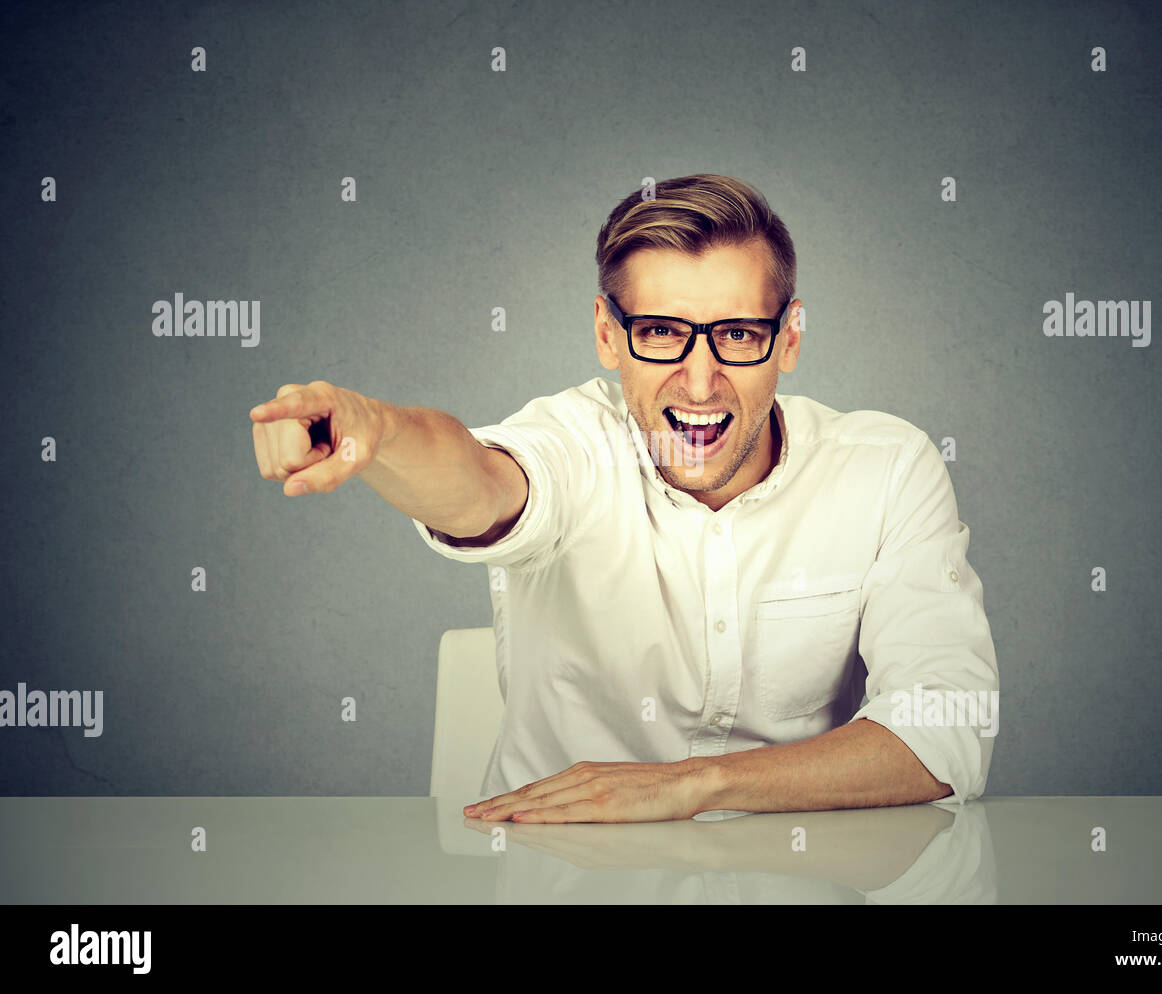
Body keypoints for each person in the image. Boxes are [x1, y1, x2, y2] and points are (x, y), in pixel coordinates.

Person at [249, 174, 999, 823]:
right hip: (563, 879)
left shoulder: (886, 467)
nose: (701, 381)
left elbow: (946, 729)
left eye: (737, 334)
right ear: (609, 336)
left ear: (789, 338)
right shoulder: (573, 440)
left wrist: (690, 787)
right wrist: (377, 432)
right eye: (663, 332)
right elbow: (478, 485)